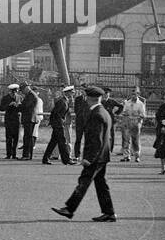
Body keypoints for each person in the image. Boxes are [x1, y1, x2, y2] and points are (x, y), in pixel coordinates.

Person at [52, 85, 116, 222]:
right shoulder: (103, 112)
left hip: (95, 157)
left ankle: (69, 208)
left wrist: (89, 158)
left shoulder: (96, 114)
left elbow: (96, 139)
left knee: (84, 182)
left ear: (89, 98)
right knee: (101, 185)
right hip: (102, 155)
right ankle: (109, 212)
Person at [41, 85, 75, 164]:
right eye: (71, 93)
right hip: (58, 125)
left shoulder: (64, 101)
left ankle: (45, 159)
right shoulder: (62, 102)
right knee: (62, 142)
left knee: (53, 143)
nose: (72, 94)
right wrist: (58, 123)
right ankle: (66, 160)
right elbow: (55, 113)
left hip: (58, 124)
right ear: (67, 93)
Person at [19, 82, 41, 160]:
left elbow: (26, 106)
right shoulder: (29, 95)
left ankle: (27, 155)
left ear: (26, 88)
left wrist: (18, 105)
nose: (21, 92)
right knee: (27, 137)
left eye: (22, 90)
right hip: (29, 118)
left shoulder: (31, 95)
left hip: (30, 118)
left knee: (28, 137)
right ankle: (26, 155)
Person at [0, 83, 21, 158]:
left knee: (16, 138)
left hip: (16, 119)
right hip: (9, 120)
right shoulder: (5, 98)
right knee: (9, 138)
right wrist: (9, 105)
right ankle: (9, 154)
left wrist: (18, 105)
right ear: (10, 91)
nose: (14, 94)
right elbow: (1, 108)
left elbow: (21, 108)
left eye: (16, 92)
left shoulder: (19, 97)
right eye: (13, 92)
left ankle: (14, 154)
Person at [72, 84, 90, 161]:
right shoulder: (78, 99)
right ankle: (77, 155)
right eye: (82, 89)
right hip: (79, 122)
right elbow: (76, 110)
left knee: (88, 139)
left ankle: (87, 155)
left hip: (88, 122)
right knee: (78, 139)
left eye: (84, 89)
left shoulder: (90, 99)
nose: (83, 91)